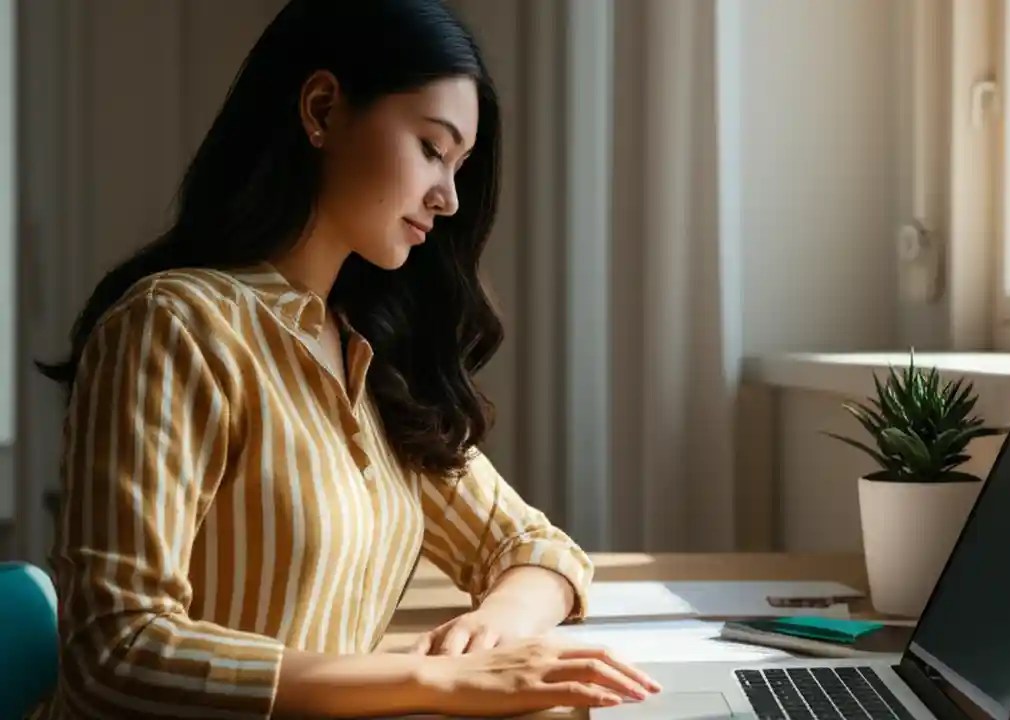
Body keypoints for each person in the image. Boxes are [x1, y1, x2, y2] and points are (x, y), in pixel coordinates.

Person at [30, 1, 660, 717]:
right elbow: (115, 653)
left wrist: (492, 632)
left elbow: (536, 548)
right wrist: (432, 681)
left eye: (459, 165)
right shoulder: (176, 326)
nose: (448, 198)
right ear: (323, 109)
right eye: (431, 147)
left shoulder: (370, 359)